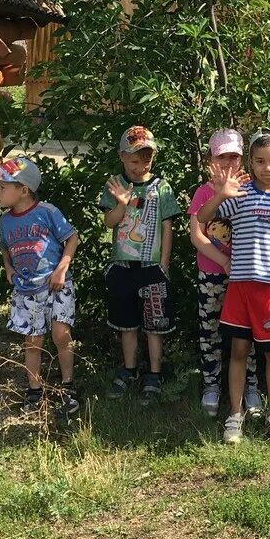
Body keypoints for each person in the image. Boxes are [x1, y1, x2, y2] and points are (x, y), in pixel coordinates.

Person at [197, 129, 270, 443]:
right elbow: (204, 217)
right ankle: (235, 414)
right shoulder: (240, 195)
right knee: (239, 350)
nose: (267, 168)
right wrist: (220, 194)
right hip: (241, 288)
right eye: (259, 161)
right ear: (251, 162)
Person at [0, 155, 80, 419]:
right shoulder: (5, 222)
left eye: (2, 187)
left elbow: (72, 237)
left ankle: (68, 388)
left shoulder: (47, 212)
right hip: (26, 290)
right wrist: (8, 268)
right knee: (32, 342)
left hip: (56, 285)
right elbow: (6, 248)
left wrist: (62, 267)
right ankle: (34, 392)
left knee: (61, 335)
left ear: (23, 190)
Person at [100, 125, 181, 400]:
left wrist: (165, 265)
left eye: (146, 159)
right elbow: (108, 222)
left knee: (155, 325)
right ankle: (129, 370)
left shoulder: (162, 187)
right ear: (122, 156)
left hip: (152, 268)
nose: (141, 165)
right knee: (127, 324)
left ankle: (155, 374)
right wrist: (121, 204)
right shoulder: (115, 184)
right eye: (135, 160)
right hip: (123, 267)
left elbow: (168, 227)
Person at [187, 128, 262, 417]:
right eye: (223, 157)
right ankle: (212, 385)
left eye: (235, 156)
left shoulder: (251, 188)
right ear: (210, 159)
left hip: (246, 276)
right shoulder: (203, 192)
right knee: (211, 331)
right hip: (211, 275)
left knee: (248, 331)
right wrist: (223, 261)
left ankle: (251, 386)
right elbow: (197, 235)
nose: (229, 163)